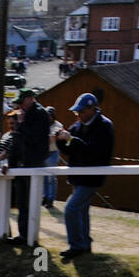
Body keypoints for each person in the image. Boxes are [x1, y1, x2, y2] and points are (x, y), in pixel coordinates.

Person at [54, 92, 115, 260]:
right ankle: (85, 245)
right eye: (77, 112)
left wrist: (71, 139)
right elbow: (69, 150)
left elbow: (93, 152)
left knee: (71, 209)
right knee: (81, 211)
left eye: (81, 111)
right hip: (79, 175)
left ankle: (77, 245)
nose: (78, 115)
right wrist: (60, 140)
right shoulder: (78, 125)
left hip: (92, 176)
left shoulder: (104, 126)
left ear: (92, 109)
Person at [5, 89, 53, 244]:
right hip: (23, 163)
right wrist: (11, 163)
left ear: (30, 99)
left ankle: (30, 235)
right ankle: (23, 234)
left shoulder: (40, 114)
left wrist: (22, 122)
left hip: (34, 162)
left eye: (22, 102)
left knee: (30, 201)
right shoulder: (26, 115)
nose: (20, 106)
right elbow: (17, 141)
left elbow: (33, 137)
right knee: (21, 201)